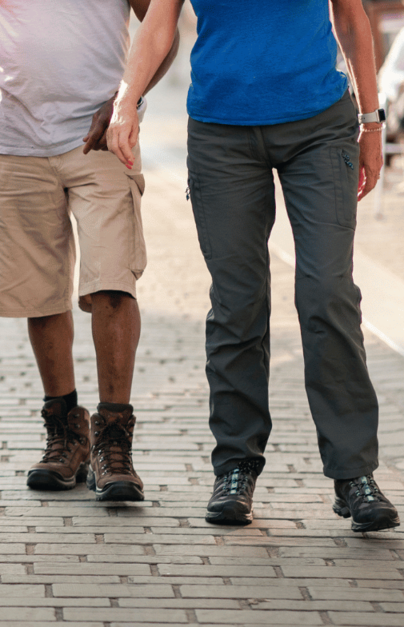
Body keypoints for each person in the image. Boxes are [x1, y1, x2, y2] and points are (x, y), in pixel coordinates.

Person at [108, 0, 399, 532]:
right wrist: (127, 99)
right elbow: (158, 20)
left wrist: (372, 119)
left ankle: (354, 473)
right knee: (237, 302)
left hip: (320, 126)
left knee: (327, 291)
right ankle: (236, 466)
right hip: (221, 131)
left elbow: (351, 16)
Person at [0, 0, 177, 502]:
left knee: (112, 281)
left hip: (103, 135)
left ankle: (113, 438)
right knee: (38, 292)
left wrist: (130, 99)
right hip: (17, 138)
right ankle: (66, 433)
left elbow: (160, 25)